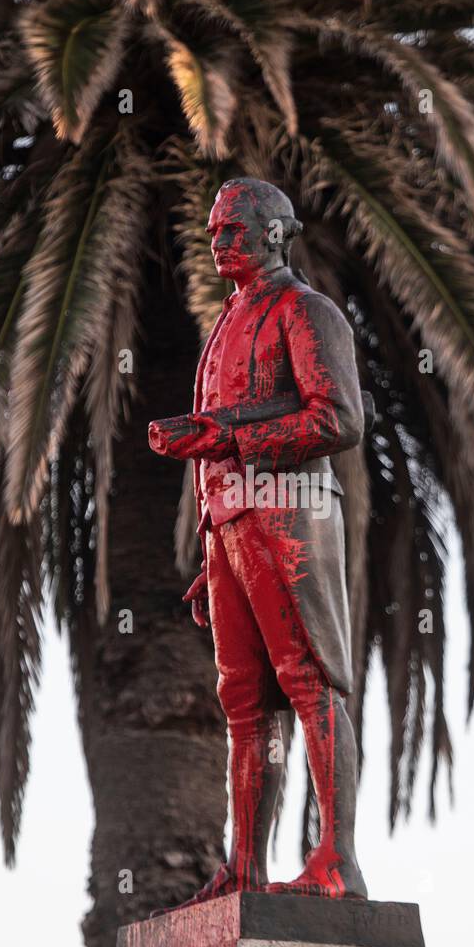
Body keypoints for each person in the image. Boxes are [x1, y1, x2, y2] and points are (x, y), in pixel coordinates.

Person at [148, 177, 368, 905]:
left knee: (311, 679)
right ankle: (245, 870)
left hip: (292, 514)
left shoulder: (306, 311)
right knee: (244, 701)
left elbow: (338, 420)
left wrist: (225, 435)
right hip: (232, 529)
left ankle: (336, 859)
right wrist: (212, 545)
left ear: (276, 232)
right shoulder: (225, 323)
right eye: (213, 231)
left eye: (233, 230)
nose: (219, 243)